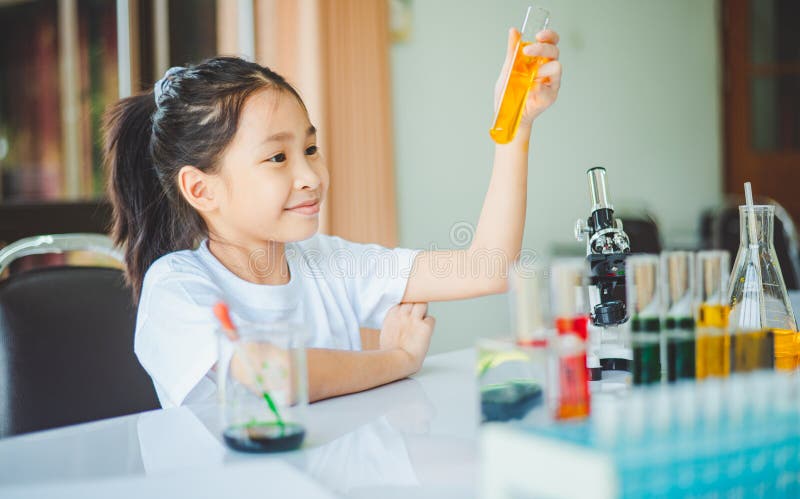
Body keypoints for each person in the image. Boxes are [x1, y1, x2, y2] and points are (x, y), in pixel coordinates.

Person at [104, 28, 561, 408]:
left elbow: (487, 267)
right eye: (278, 157)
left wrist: (515, 130)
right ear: (202, 189)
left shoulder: (326, 263)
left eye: (310, 148)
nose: (310, 176)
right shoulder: (176, 287)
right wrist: (396, 359)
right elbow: (274, 375)